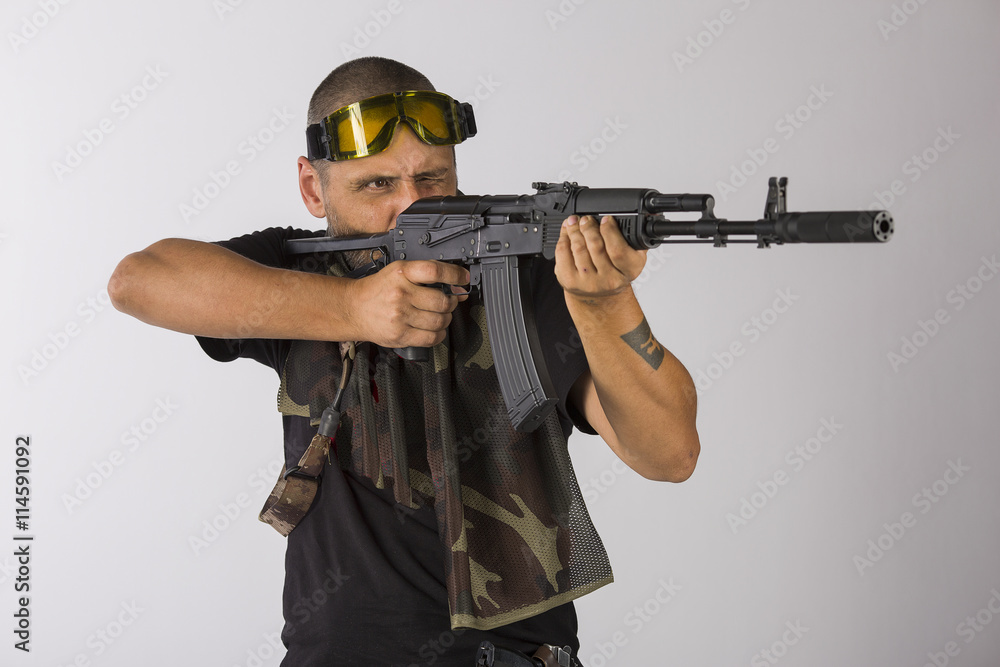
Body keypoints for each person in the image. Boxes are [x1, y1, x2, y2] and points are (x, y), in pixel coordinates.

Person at [108, 56, 700, 666]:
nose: (413, 206)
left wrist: (605, 303)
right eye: (378, 185)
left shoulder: (525, 278)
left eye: (433, 178)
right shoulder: (301, 273)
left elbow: (670, 454)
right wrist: (350, 308)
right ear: (315, 188)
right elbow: (138, 281)